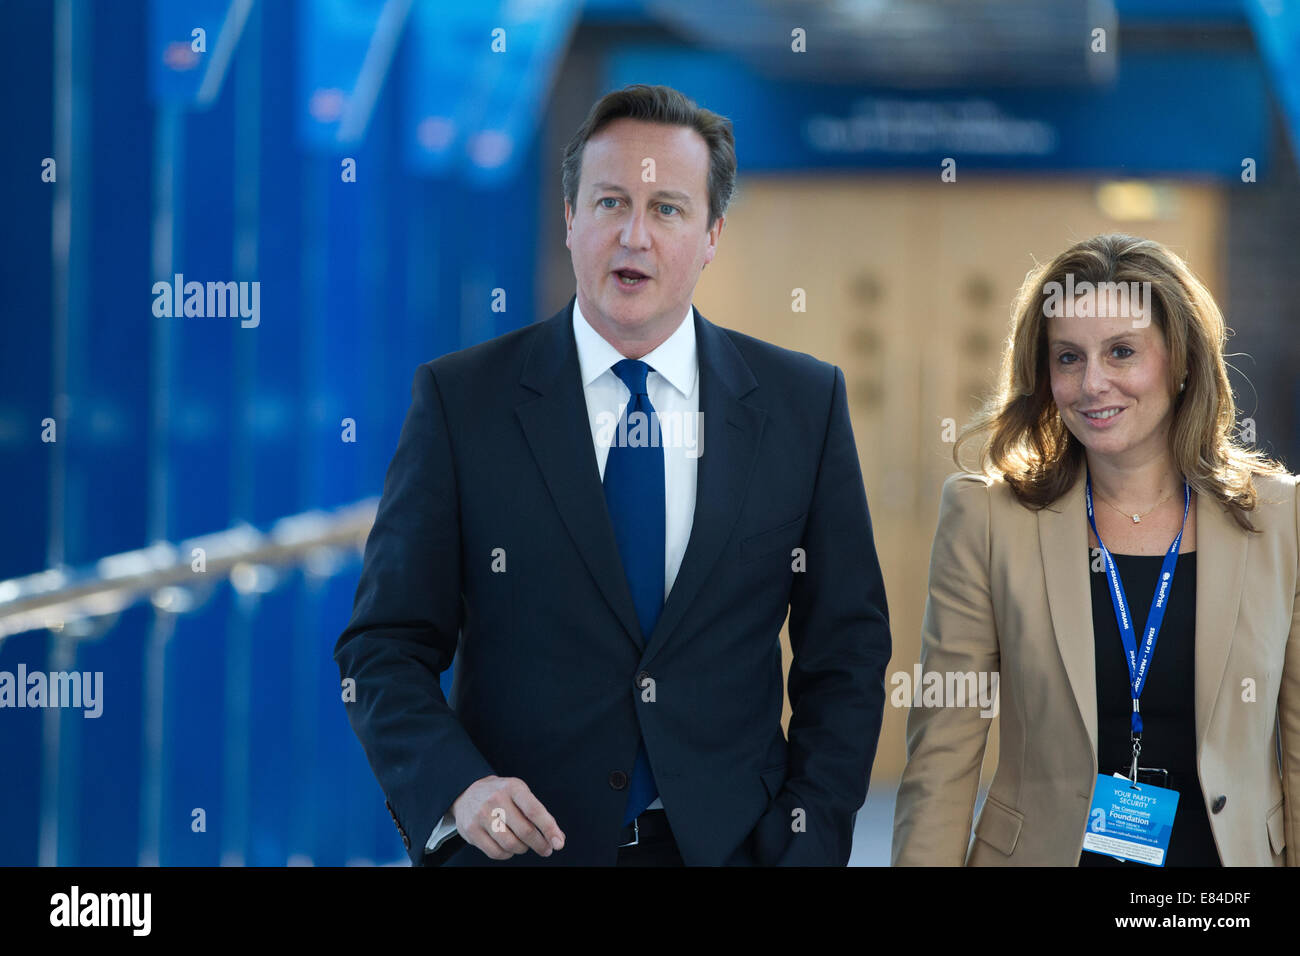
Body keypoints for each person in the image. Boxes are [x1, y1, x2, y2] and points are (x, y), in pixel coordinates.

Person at [334, 84, 892, 866]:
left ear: (711, 234)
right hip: (520, 855)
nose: (634, 235)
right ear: (570, 220)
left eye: (667, 208)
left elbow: (848, 652)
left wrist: (807, 837)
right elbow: (384, 646)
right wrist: (457, 791)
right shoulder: (464, 402)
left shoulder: (802, 405)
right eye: (609, 203)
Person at [891, 233, 1299, 866]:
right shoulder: (987, 520)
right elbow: (944, 752)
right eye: (1068, 358)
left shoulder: (1279, 518)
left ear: (1182, 360)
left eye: (1122, 352)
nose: (1092, 384)